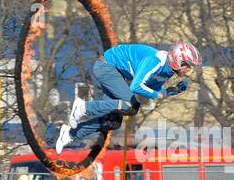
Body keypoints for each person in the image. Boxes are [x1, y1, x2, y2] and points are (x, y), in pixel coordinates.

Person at [55, 41, 200, 152]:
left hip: (117, 74)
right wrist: (159, 94)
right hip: (106, 67)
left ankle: (70, 134)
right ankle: (83, 107)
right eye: (187, 65)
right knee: (130, 106)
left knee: (113, 122)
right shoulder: (156, 62)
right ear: (177, 59)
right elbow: (136, 87)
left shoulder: (168, 71)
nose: (189, 70)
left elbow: (152, 90)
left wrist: (172, 91)